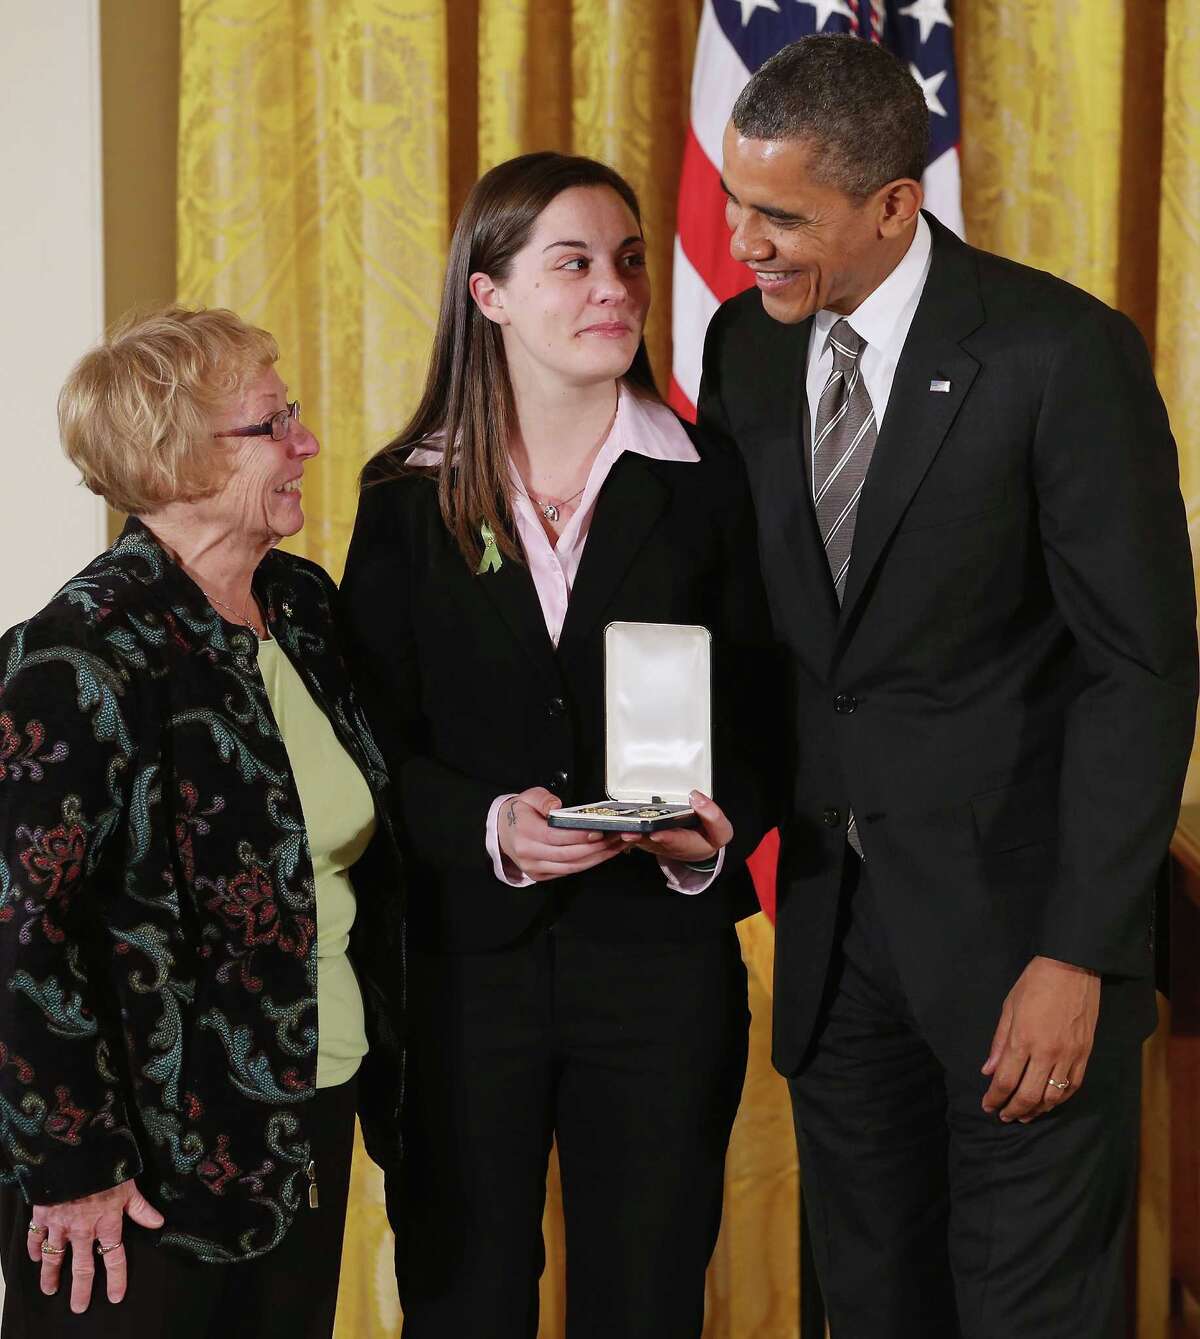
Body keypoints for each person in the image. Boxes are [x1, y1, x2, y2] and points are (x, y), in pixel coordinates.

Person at [697, 33, 1198, 1339]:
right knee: (867, 1305)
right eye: (738, 200)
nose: (740, 239)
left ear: (892, 206)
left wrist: (1080, 948)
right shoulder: (743, 355)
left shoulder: (1057, 353)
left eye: (779, 214)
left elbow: (1138, 668)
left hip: (1022, 944)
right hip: (832, 929)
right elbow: (757, 637)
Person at [340, 151, 772, 1339]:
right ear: (488, 295)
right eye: (573, 263)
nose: (615, 290)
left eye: (629, 261)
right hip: (461, 975)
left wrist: (704, 840)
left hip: (661, 968)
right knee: (463, 1303)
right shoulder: (401, 500)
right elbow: (368, 745)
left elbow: (774, 709)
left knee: (644, 1305)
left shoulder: (711, 483)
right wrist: (489, 825)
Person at [0, 307, 405, 1338]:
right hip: (137, 1164)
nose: (307, 442)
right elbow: (20, 931)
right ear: (174, 459)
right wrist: (74, 1164)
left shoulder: (304, 607)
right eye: (274, 424)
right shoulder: (73, 656)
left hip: (307, 1107)